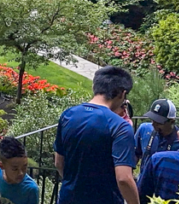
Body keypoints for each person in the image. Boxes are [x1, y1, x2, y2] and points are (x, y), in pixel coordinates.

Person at [54, 66, 138, 204]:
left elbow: (59, 162)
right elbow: (124, 179)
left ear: (95, 87)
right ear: (122, 94)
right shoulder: (120, 126)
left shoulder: (68, 115)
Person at [0, 137, 40, 204]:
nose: (21, 173)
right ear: (1, 166)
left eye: (24, 167)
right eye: (15, 169)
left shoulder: (31, 189)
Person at [136, 99, 179, 168]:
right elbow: (133, 155)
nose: (153, 125)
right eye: (152, 120)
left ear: (172, 121)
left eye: (159, 122)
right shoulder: (144, 129)